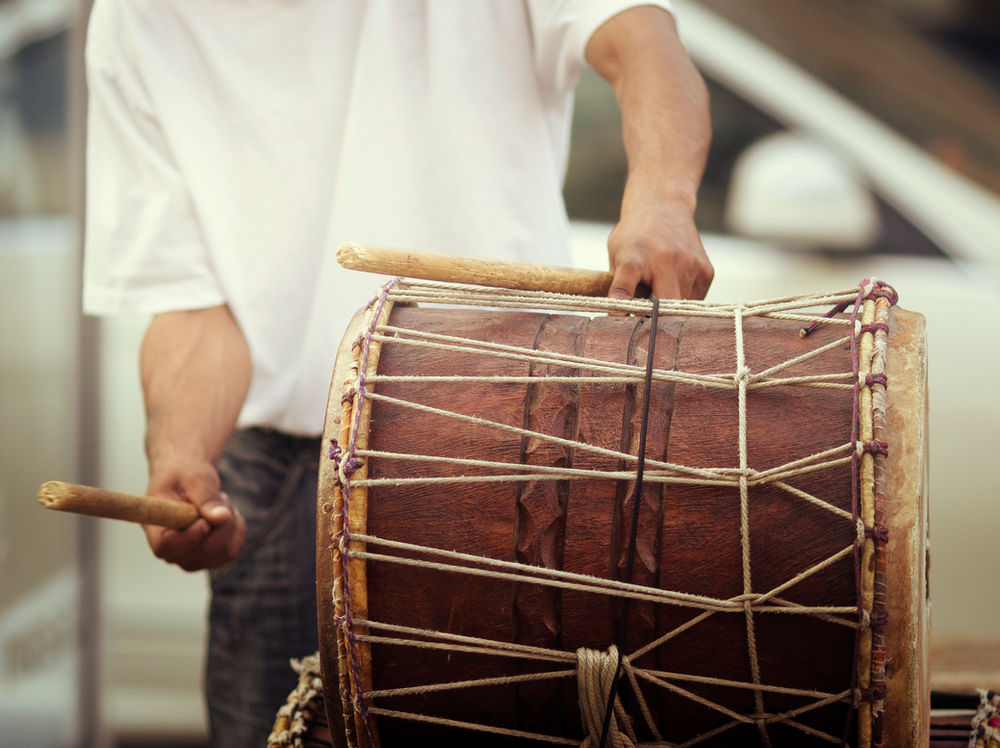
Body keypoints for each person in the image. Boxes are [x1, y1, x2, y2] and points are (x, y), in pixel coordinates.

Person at [83, 1, 712, 745]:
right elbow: (196, 311)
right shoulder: (139, 18)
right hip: (285, 476)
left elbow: (641, 38)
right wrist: (182, 456)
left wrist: (664, 199)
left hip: (517, 451)